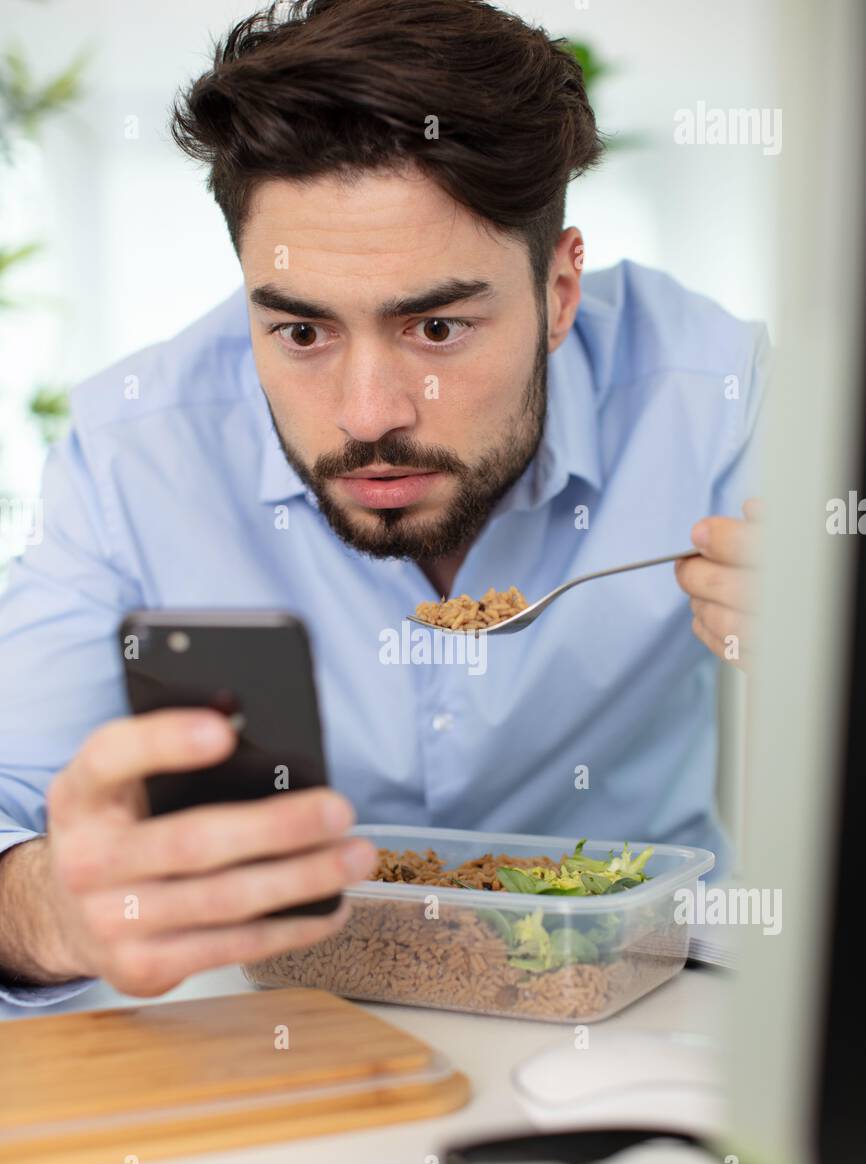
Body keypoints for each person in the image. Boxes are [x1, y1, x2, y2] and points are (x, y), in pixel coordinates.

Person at [0, 0, 764, 1006]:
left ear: (558, 293)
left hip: (647, 1007)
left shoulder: (714, 391)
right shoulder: (131, 453)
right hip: (270, 1033)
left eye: (437, 326)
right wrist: (51, 906)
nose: (367, 417)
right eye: (301, 333)